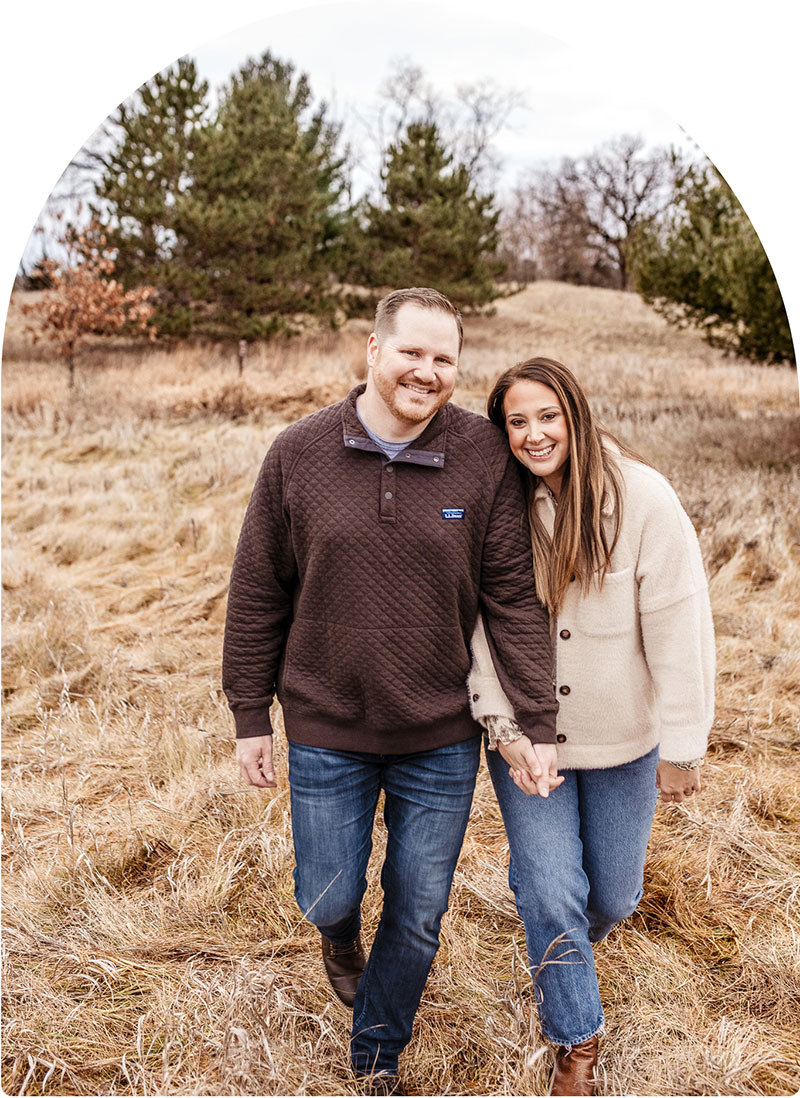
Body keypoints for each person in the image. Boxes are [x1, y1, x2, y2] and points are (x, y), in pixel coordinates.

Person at [222, 289, 557, 1095]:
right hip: (327, 722)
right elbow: (259, 590)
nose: (428, 371)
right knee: (326, 889)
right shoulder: (298, 453)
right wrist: (248, 711)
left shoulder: (482, 455)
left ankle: (377, 1052)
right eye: (412, 352)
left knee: (416, 910)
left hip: (440, 734)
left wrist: (539, 720)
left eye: (445, 359)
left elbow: (511, 597)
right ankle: (337, 938)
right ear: (373, 350)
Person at [468, 357, 715, 1096]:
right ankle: (577, 1041)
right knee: (549, 887)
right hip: (527, 742)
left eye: (548, 416)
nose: (534, 434)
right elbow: (478, 623)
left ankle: (565, 948)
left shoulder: (642, 498)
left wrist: (684, 746)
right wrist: (503, 725)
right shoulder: (499, 504)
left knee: (611, 896)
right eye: (517, 421)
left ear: (575, 412)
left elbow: (680, 627)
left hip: (624, 741)